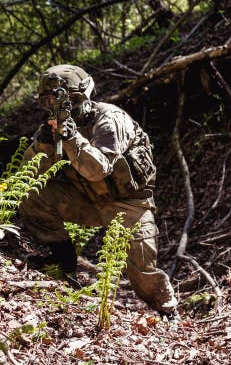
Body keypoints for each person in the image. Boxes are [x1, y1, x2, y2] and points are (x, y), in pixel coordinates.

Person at [20, 64, 177, 315]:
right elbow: (28, 174)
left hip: (127, 205)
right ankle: (62, 261)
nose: (57, 106)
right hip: (86, 199)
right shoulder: (53, 129)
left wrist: (71, 138)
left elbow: (98, 170)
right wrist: (44, 145)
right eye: (47, 101)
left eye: (70, 99)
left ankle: (168, 312)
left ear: (85, 95)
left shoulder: (110, 119)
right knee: (32, 194)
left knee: (144, 276)